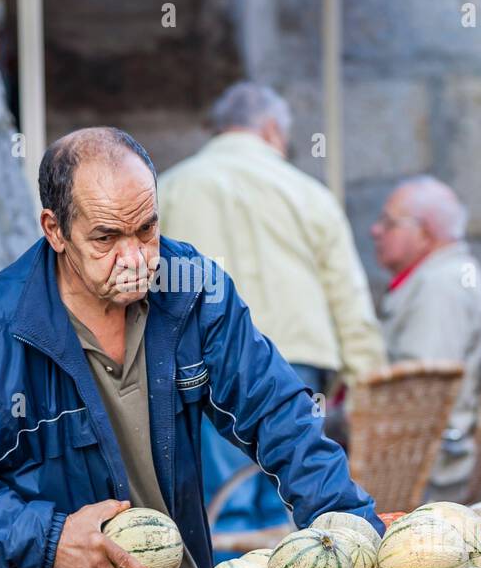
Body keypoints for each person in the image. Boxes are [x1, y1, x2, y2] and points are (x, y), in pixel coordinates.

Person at [0, 128, 382, 568]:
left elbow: (279, 415)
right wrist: (49, 540)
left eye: (146, 230)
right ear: (55, 231)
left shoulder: (194, 292)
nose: (135, 258)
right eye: (106, 238)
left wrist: (354, 535)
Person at [159, 82, 386, 527]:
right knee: (298, 497)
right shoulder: (309, 194)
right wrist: (366, 380)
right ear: (270, 130)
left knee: (228, 506)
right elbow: (349, 298)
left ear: (220, 128)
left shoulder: (169, 189)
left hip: (205, 366)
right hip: (298, 363)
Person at [371, 176, 481, 490]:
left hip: (427, 470)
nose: (375, 230)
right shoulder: (452, 273)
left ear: (424, 232)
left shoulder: (440, 288)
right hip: (439, 454)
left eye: (388, 222)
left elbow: (419, 395)